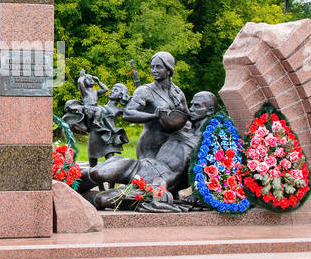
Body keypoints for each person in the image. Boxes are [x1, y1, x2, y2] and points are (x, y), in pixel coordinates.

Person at [81, 91, 219, 211]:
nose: (191, 109)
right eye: (192, 104)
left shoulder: (208, 141)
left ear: (210, 111)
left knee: (102, 200)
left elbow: (212, 172)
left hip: (157, 181)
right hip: (143, 165)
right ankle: (63, 185)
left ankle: (76, 200)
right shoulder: (182, 125)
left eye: (197, 106)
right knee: (96, 172)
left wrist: (195, 195)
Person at [123, 51, 189, 161]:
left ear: (168, 70)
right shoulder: (144, 91)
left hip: (173, 148)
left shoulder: (178, 93)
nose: (154, 70)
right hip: (150, 147)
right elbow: (128, 113)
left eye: (158, 67)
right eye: (152, 67)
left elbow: (188, 117)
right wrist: (153, 116)